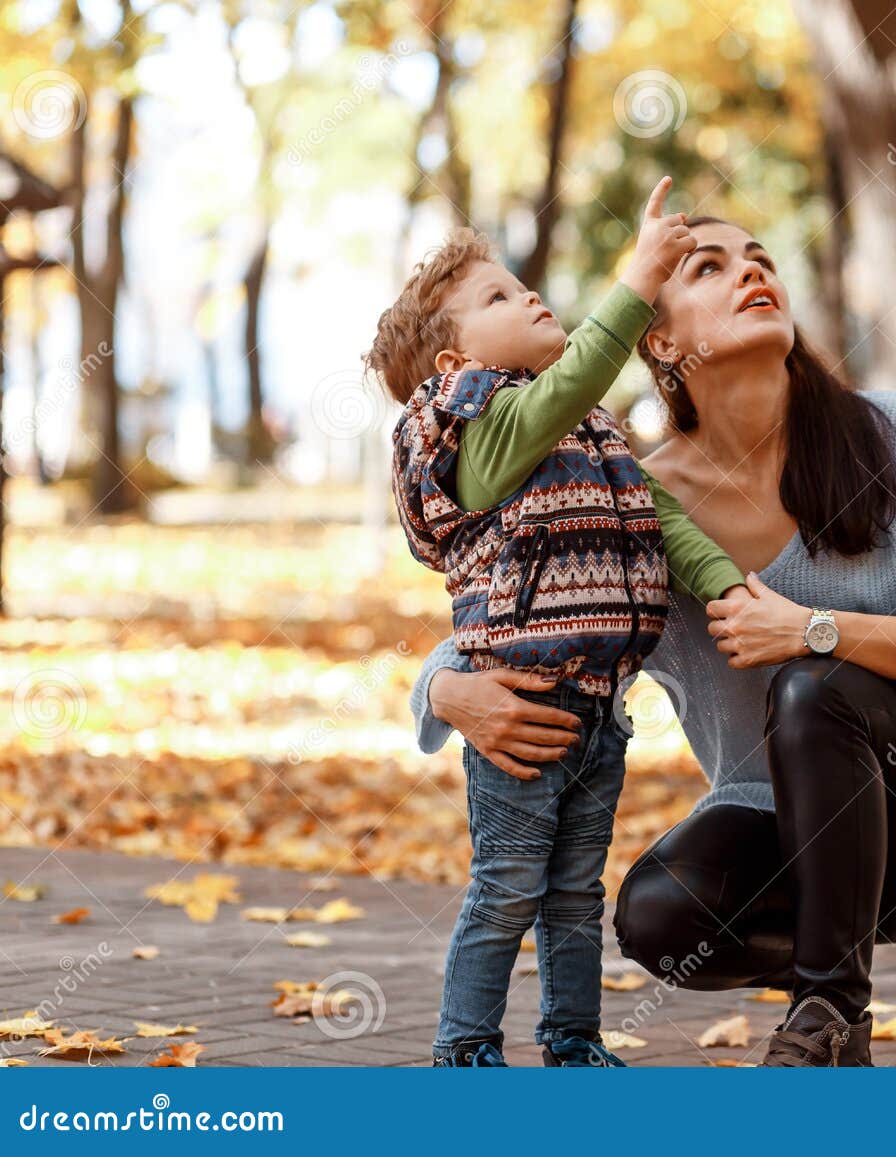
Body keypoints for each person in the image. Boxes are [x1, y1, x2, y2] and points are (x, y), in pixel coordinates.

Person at [411, 213, 896, 1066]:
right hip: (786, 837)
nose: (753, 273)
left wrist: (813, 629)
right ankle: (832, 966)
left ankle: (829, 1019)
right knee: (656, 915)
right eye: (709, 267)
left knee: (814, 684)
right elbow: (523, 611)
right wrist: (442, 689)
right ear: (659, 339)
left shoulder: (893, 433)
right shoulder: (633, 499)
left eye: (762, 258)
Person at [371, 179, 747, 1067]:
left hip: (600, 711)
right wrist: (641, 276)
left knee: (576, 890)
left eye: (521, 283)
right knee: (506, 887)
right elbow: (572, 375)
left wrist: (727, 588)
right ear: (449, 361)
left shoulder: (586, 426)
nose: (530, 294)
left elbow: (663, 518)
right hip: (519, 703)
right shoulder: (478, 427)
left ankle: (573, 1038)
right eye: (498, 297)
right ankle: (464, 1047)